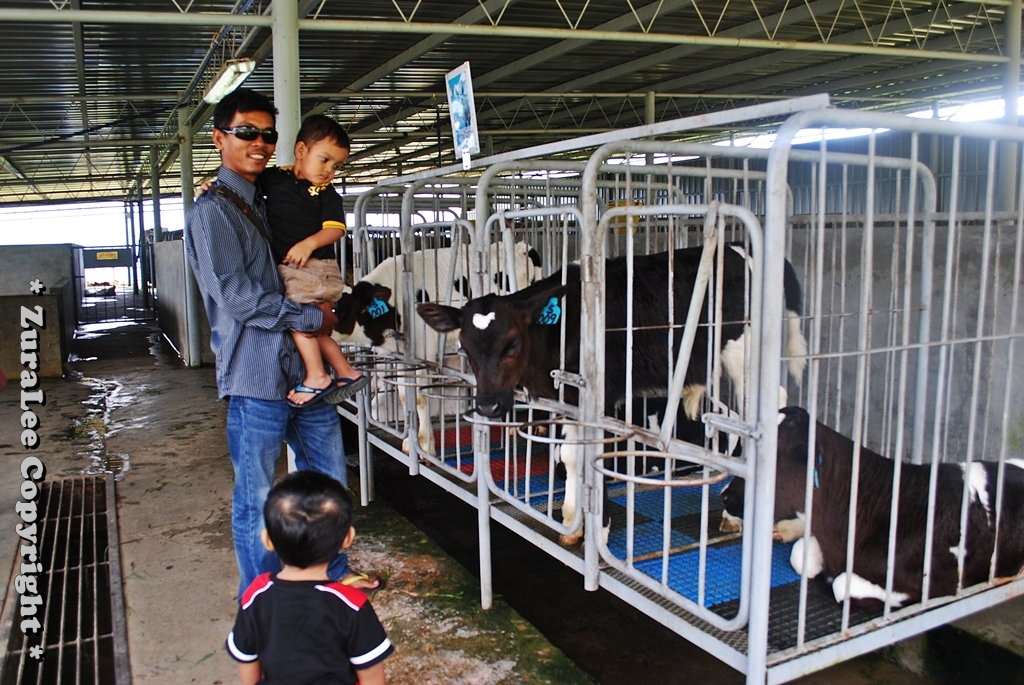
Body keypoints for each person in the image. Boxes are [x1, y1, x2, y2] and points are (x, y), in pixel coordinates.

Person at [184, 87, 377, 597]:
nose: (259, 142)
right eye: (246, 132)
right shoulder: (213, 213)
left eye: (267, 134)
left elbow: (315, 240)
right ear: (219, 137)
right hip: (255, 377)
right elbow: (237, 296)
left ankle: (332, 575)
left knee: (329, 481)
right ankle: (262, 598)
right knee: (255, 498)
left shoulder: (269, 196)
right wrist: (310, 314)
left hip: (301, 378)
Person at [226, 471, 393, 685]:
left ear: (267, 540)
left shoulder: (255, 596)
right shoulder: (351, 605)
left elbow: (246, 659)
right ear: (347, 538)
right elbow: (372, 676)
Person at [261, 114, 367, 408]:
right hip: (303, 272)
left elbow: (335, 229)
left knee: (297, 321)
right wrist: (211, 184)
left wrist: (308, 244)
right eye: (324, 160)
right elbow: (242, 184)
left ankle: (317, 375)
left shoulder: (326, 193)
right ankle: (346, 371)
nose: (329, 171)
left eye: (336, 166)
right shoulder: (273, 178)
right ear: (300, 151)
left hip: (313, 269)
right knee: (316, 329)